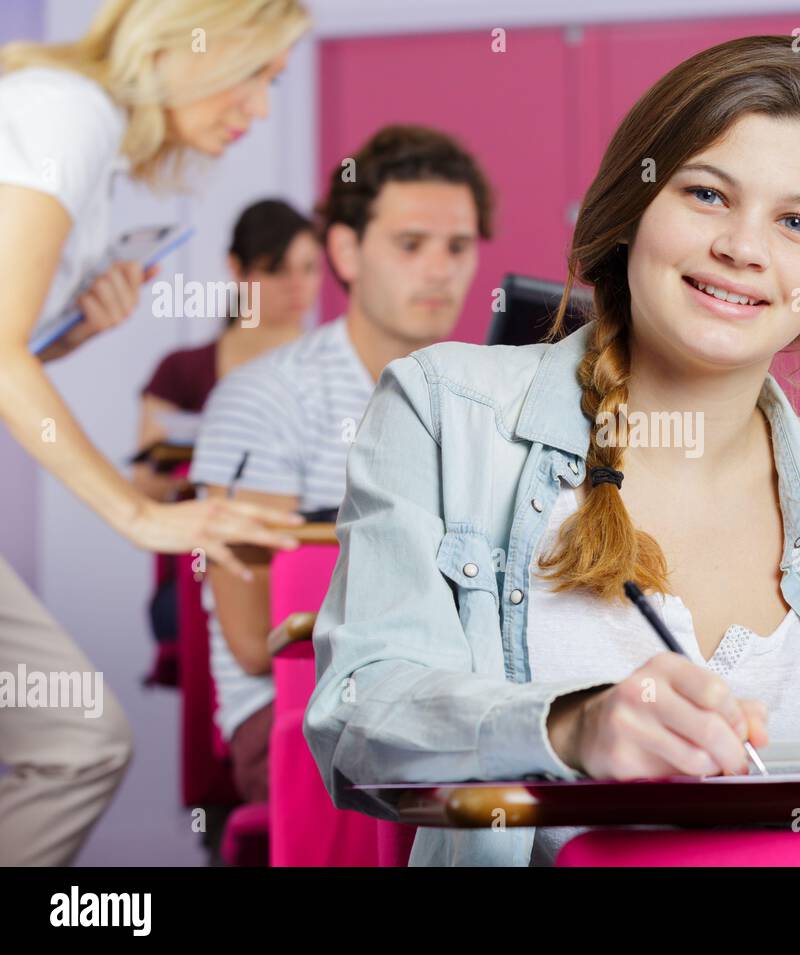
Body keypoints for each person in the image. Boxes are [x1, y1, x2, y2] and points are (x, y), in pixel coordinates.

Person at [304, 35, 800, 867]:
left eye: (796, 221)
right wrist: (572, 726)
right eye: (708, 194)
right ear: (632, 207)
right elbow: (362, 717)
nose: (744, 248)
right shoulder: (440, 409)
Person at [0, 0, 311, 866]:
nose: (257, 109)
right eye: (255, 72)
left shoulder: (76, 122)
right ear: (186, 38)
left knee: (77, 743)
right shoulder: (71, 109)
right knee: (76, 741)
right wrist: (143, 519)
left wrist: (69, 335)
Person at [190, 124, 492, 803]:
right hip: (294, 709)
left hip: (451, 695)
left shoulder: (482, 396)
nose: (441, 268)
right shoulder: (263, 396)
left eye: (459, 246)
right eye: (411, 245)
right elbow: (248, 639)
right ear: (347, 250)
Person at [134, 198, 322, 503]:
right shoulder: (180, 370)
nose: (297, 285)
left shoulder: (338, 366)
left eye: (309, 268)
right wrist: (205, 478)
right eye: (276, 270)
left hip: (307, 543)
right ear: (236, 267)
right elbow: (145, 488)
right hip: (200, 542)